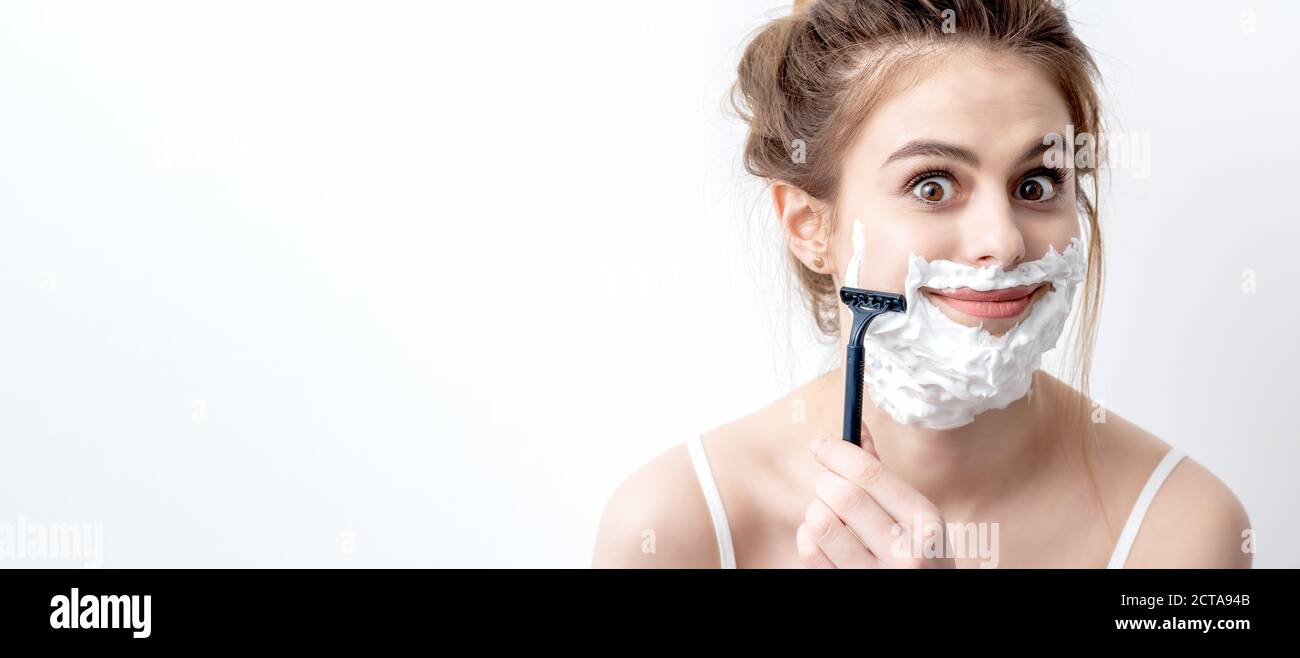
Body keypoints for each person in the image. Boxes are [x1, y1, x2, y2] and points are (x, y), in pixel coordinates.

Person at [592, 0, 1251, 568]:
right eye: (932, 185)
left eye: (1035, 184)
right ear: (809, 226)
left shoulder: (1185, 530)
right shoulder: (676, 528)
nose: (1003, 240)